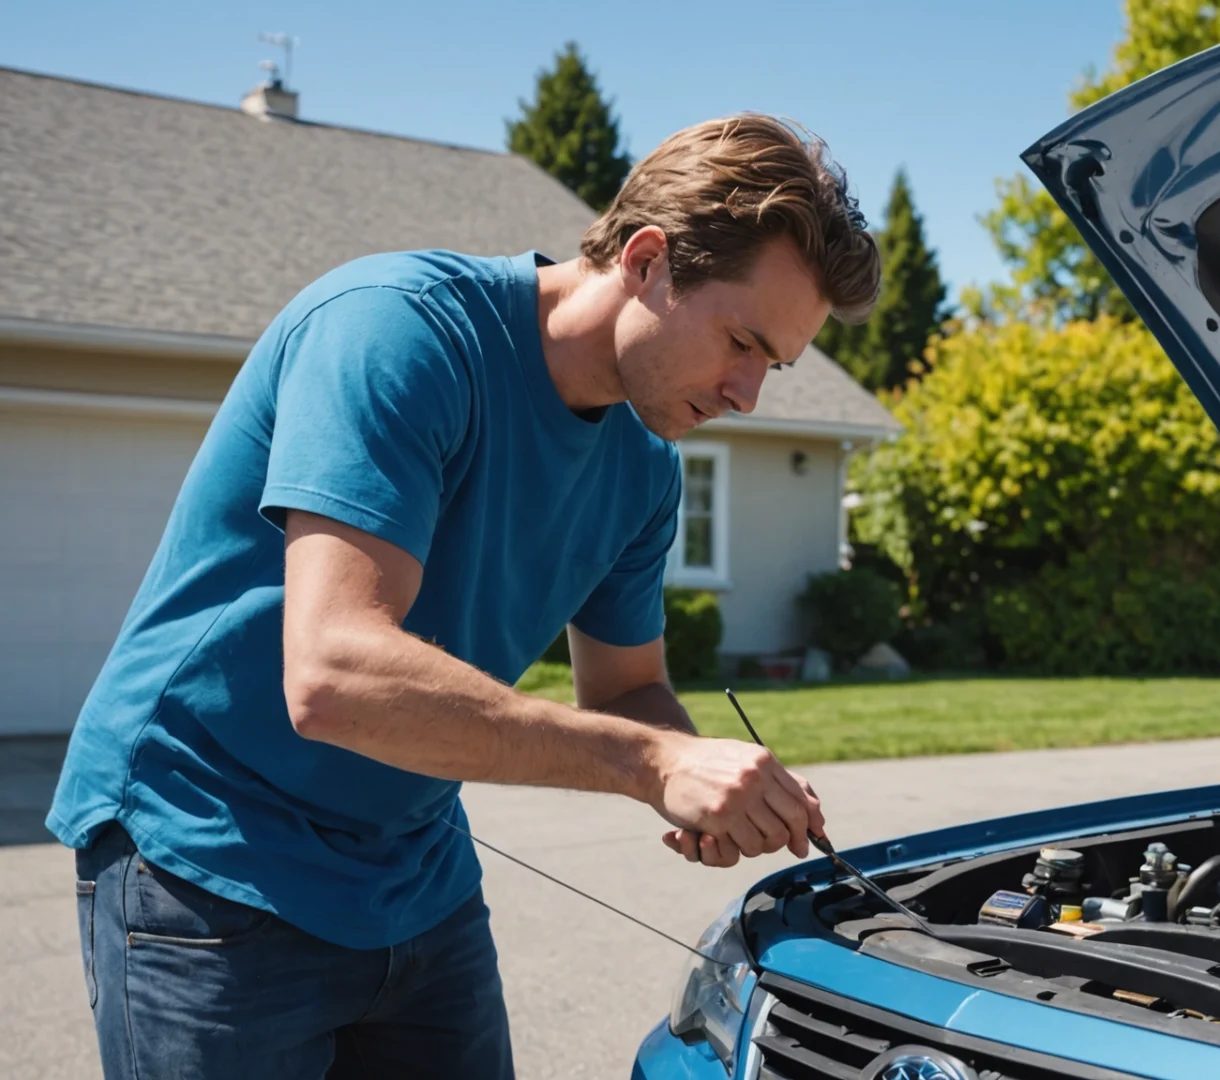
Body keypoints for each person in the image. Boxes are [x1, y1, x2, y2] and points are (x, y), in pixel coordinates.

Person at [45, 113, 882, 1079]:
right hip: (205, 856)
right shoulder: (401, 333)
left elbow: (625, 693)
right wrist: (650, 761)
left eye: (771, 365)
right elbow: (333, 676)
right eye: (741, 341)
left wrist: (703, 770)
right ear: (648, 260)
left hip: (414, 877)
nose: (747, 394)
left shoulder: (644, 471)